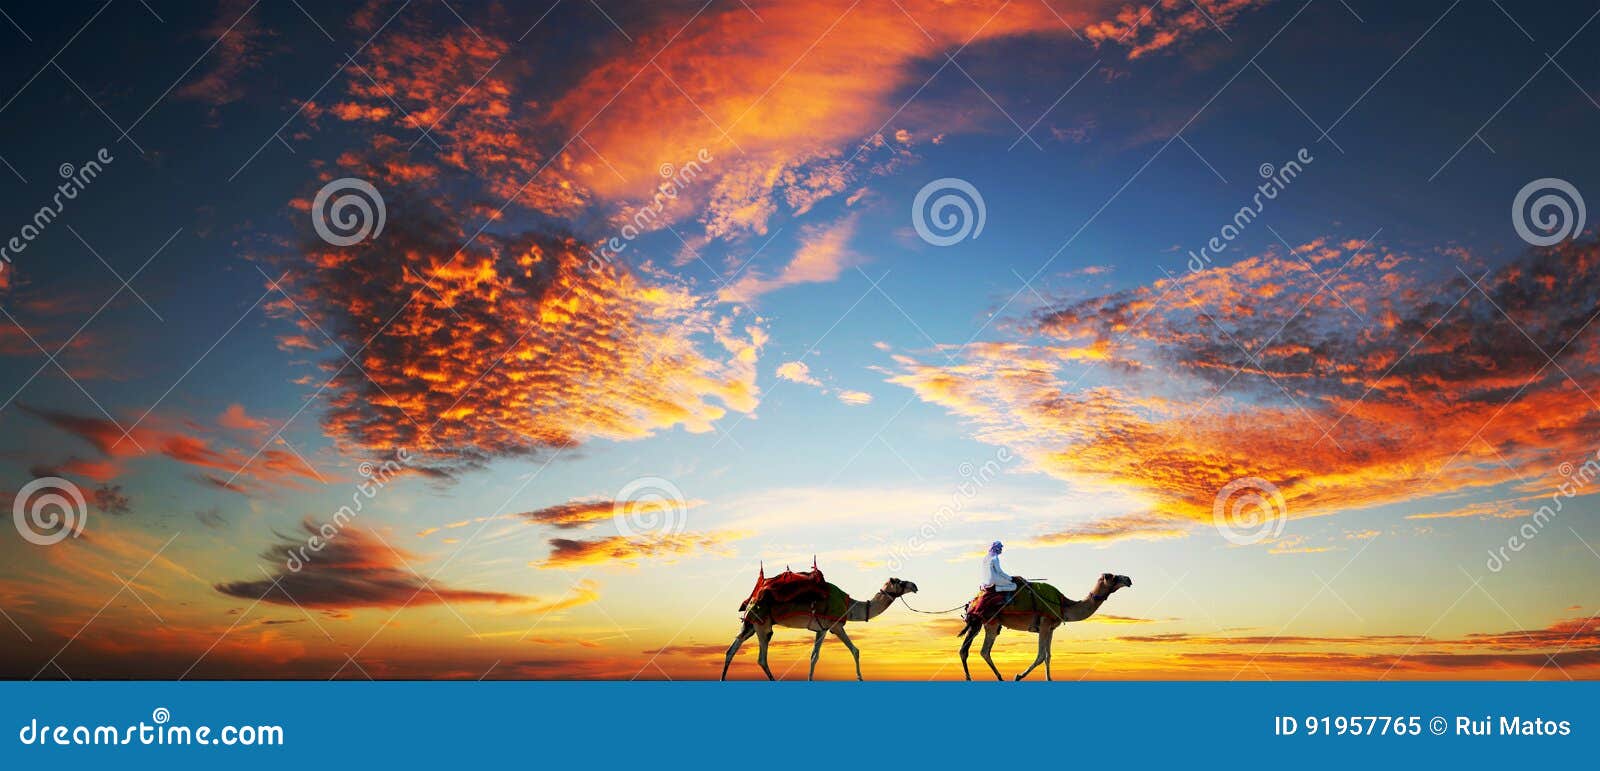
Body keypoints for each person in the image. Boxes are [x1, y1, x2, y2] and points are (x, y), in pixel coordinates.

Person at [979, 541, 1039, 632]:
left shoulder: (986, 557)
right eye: (1000, 548)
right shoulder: (995, 558)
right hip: (994, 579)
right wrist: (1009, 578)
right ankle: (1002, 593)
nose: (1001, 550)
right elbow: (999, 572)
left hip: (986, 580)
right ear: (997, 548)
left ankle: (999, 588)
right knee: (1013, 586)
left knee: (1009, 583)